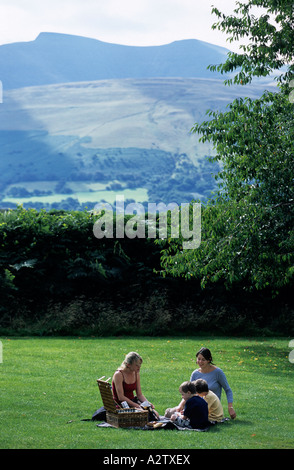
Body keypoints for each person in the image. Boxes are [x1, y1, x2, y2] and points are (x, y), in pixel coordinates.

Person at [166, 347, 236, 419]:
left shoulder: (218, 372)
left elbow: (228, 390)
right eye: (199, 359)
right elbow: (189, 392)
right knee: (169, 413)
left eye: (203, 360)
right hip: (195, 404)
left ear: (209, 360)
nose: (200, 362)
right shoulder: (195, 373)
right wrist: (180, 405)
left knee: (179, 417)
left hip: (209, 408)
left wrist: (230, 407)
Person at [112, 351, 158, 417]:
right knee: (143, 414)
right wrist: (137, 406)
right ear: (128, 365)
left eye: (140, 365)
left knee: (155, 414)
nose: (139, 367)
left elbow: (139, 394)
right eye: (136, 365)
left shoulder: (136, 373)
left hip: (133, 402)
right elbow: (121, 397)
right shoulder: (119, 375)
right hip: (121, 404)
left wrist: (147, 403)